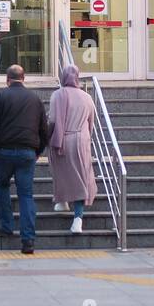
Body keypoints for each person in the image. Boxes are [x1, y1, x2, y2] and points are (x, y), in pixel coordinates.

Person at [0, 64, 49, 254]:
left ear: (7, 80)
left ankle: (6, 226)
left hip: (4, 152)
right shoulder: (35, 100)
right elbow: (44, 128)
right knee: (26, 194)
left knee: (2, 186)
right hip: (27, 153)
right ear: (24, 78)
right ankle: (28, 240)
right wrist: (38, 150)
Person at [47, 65, 98, 234]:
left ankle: (62, 201)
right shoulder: (87, 97)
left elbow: (53, 120)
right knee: (81, 177)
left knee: (61, 173)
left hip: (61, 140)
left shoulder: (57, 95)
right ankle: (78, 218)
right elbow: (91, 123)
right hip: (81, 140)